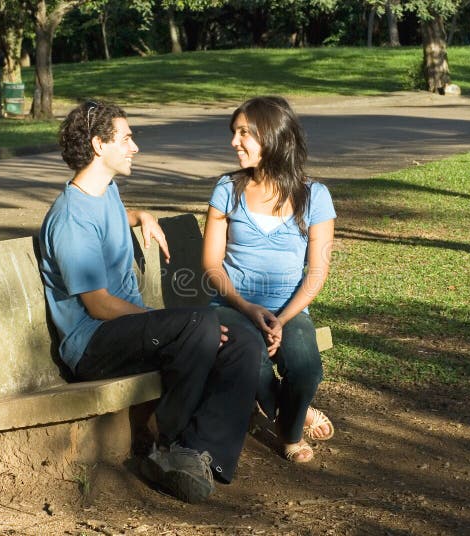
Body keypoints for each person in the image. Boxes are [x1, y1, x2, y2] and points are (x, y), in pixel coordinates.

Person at [38, 100, 261, 503]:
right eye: (126, 138)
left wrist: (141, 215)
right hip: (93, 343)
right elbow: (99, 306)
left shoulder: (103, 192)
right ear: (98, 145)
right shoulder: (70, 218)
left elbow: (109, 216)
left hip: (126, 331)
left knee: (241, 340)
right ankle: (165, 445)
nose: (134, 147)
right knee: (200, 325)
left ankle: (197, 449)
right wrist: (166, 321)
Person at [202, 96, 336, 464]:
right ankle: (291, 425)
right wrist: (248, 307)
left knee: (306, 367)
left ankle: (288, 426)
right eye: (234, 133)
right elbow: (212, 264)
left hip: (289, 309)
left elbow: (318, 272)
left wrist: (284, 319)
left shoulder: (315, 196)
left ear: (274, 137)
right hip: (232, 306)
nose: (234, 142)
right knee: (253, 358)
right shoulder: (227, 190)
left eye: (244, 133)